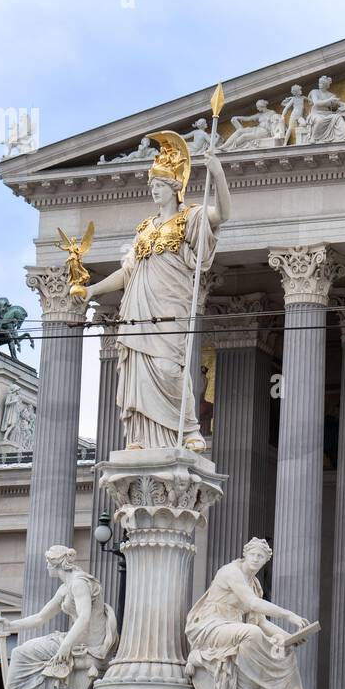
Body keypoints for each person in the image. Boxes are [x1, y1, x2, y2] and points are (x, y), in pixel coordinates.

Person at [84, 132, 227, 450]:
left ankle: (188, 429)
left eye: (159, 187)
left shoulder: (190, 218)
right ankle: (140, 437)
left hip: (170, 304)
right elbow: (127, 272)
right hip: (139, 309)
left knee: (168, 368)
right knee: (138, 370)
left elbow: (223, 215)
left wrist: (217, 174)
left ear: (175, 187)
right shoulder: (145, 229)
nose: (154, 192)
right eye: (151, 188)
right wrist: (92, 289)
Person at [185, 537, 322, 689]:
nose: (256, 559)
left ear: (266, 560)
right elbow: (252, 603)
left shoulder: (254, 584)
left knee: (283, 650)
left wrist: (288, 637)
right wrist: (290, 616)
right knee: (251, 633)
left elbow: (262, 623)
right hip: (211, 627)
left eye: (260, 556)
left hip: (232, 628)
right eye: (252, 554)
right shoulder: (230, 572)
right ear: (245, 555)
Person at [0, 546, 117, 689]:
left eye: (48, 562)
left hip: (86, 644)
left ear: (56, 563)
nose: (46, 566)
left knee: (20, 654)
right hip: (73, 639)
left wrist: (66, 645)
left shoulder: (79, 583)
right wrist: (10, 625)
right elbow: (40, 617)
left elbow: (84, 617)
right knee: (22, 651)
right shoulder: (65, 588)